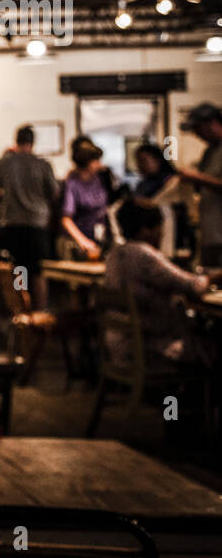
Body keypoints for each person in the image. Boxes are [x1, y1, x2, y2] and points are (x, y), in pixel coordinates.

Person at [105, 199, 215, 366]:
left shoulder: (114, 254)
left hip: (120, 343)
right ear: (145, 230)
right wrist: (214, 277)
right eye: (160, 228)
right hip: (151, 347)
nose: (162, 234)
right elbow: (193, 285)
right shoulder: (144, 255)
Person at [0, 125, 59, 307]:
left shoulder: (4, 163)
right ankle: (40, 314)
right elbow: (54, 193)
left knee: (18, 269)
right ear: (32, 142)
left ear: (16, 140)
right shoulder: (42, 164)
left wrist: (5, 199)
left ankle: (21, 313)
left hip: (11, 223)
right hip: (37, 224)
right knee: (38, 271)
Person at [177, 103, 222, 266]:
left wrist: (197, 177)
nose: (197, 134)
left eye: (198, 128)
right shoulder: (209, 152)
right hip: (209, 232)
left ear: (212, 123)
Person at [59, 136, 109, 261]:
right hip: (78, 243)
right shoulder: (72, 183)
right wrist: (83, 241)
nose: (99, 165)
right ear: (87, 163)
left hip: (98, 239)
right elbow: (66, 219)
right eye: (96, 161)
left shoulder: (98, 180)